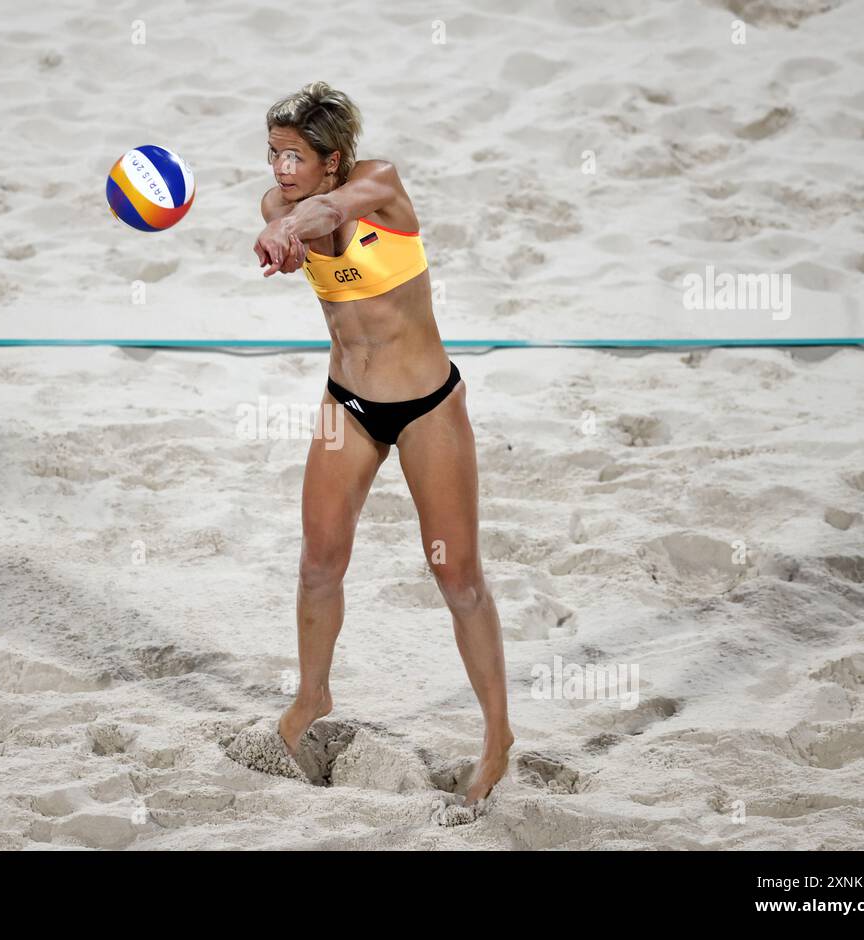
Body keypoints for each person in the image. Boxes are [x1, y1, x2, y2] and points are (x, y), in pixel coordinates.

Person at [253, 81, 514, 806]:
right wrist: (279, 235)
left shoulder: (379, 186)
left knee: (458, 578)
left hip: (428, 405)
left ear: (333, 160)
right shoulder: (278, 207)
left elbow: (330, 212)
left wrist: (294, 225)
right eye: (273, 155)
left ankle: (497, 737)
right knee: (318, 562)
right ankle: (313, 696)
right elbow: (289, 220)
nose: (279, 172)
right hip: (349, 403)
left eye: (294, 157)